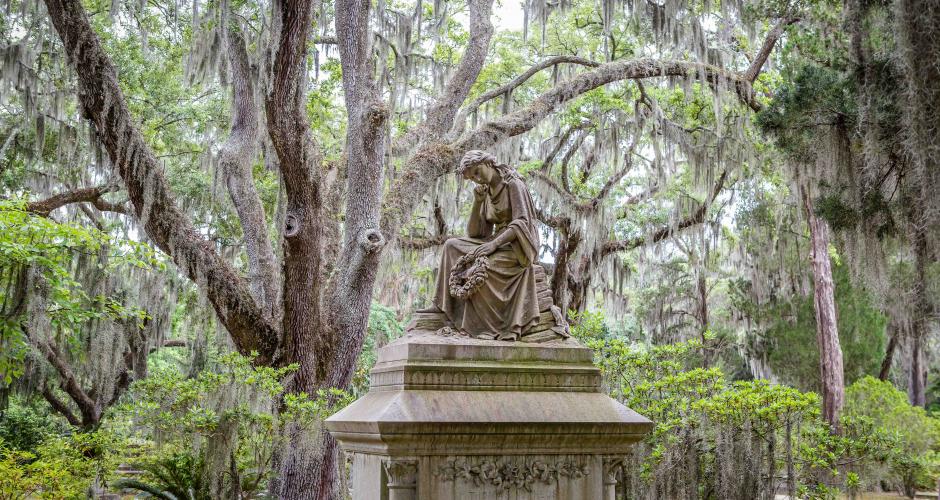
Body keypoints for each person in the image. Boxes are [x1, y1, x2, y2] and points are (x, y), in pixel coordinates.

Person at [422, 150, 541, 340]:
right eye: (472, 178)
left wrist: (494, 245)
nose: (477, 179)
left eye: (477, 172)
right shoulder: (485, 191)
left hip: (516, 246)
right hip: (494, 241)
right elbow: (476, 234)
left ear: (488, 163)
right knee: (451, 245)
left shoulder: (513, 184)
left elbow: (522, 222)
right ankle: (441, 305)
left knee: (479, 268)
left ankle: (483, 326)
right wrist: (477, 203)